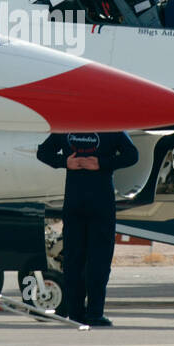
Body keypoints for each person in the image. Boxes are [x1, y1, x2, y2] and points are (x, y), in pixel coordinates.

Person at [35, 132, 139, 326]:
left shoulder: (68, 125)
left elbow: (42, 152)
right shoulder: (110, 125)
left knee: (74, 259)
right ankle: (94, 313)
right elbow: (132, 155)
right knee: (98, 260)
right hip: (101, 202)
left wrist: (64, 162)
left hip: (74, 201)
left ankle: (75, 313)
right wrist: (102, 163)